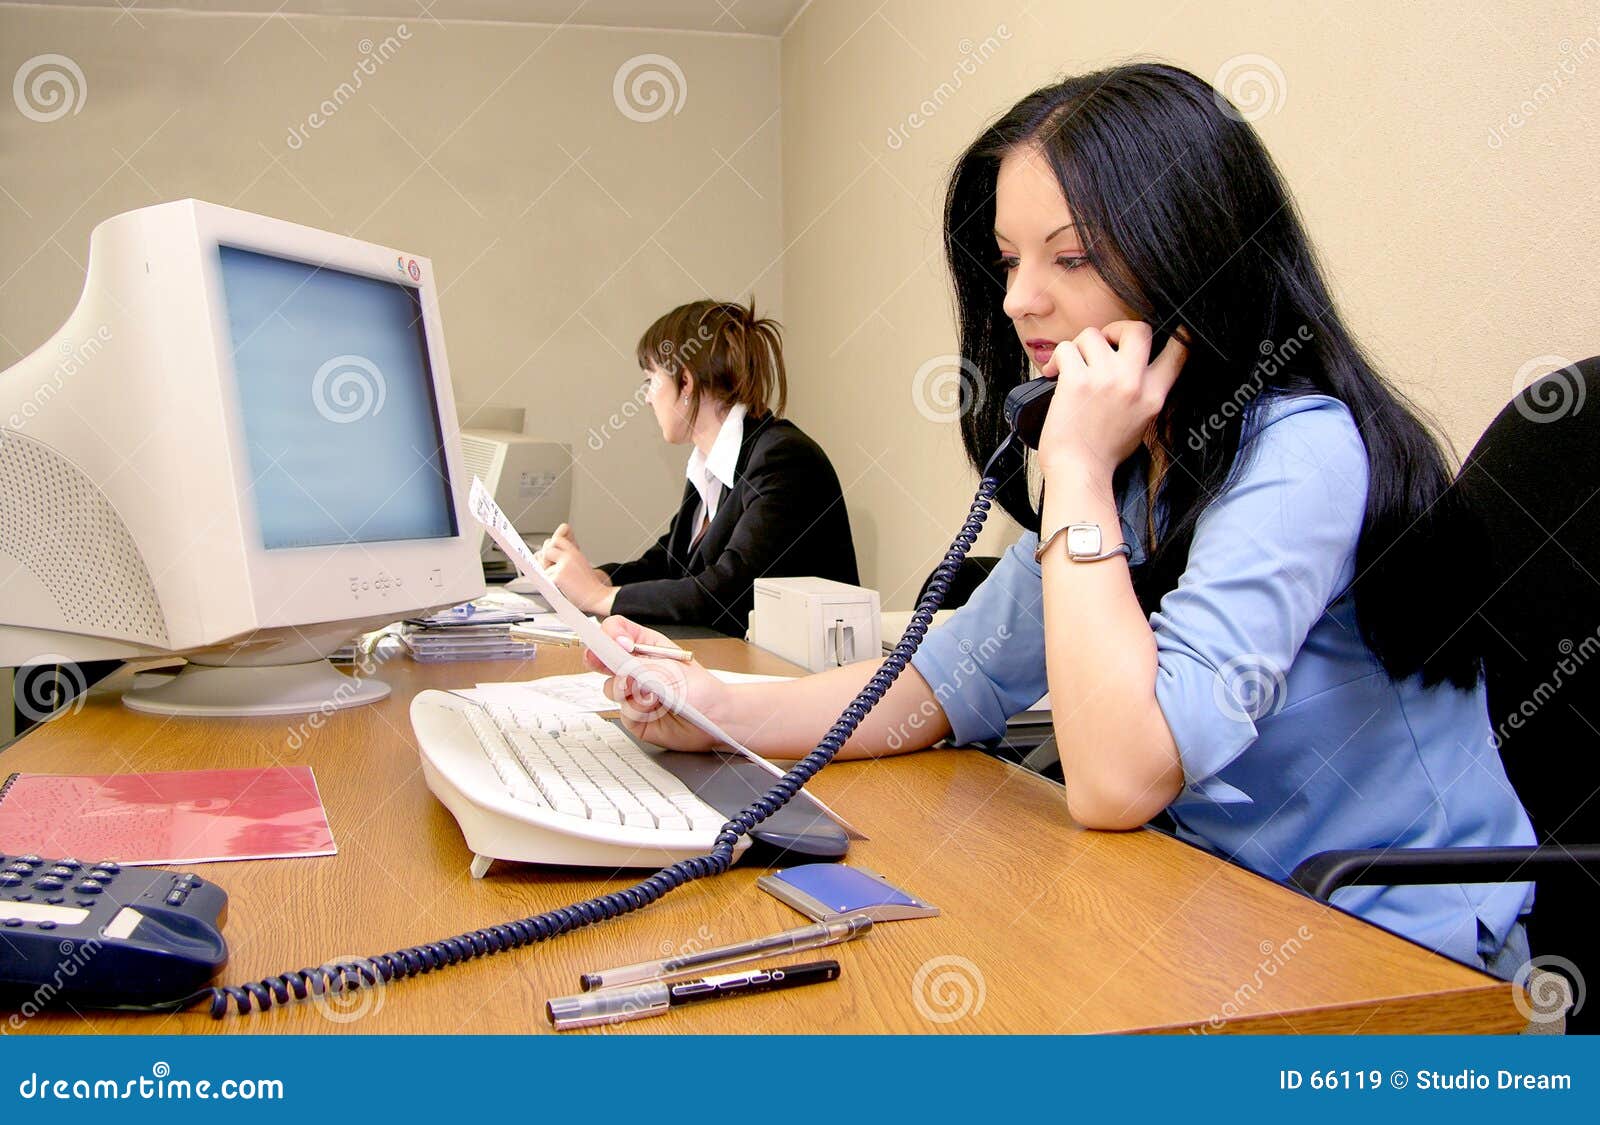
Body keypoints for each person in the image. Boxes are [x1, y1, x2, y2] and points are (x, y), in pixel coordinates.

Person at [582, 65, 1536, 978]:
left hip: (1394, 951)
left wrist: (1073, 465)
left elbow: (1118, 780)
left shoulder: (1301, 449)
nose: (1016, 299)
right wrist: (708, 708)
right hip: (1216, 906)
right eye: (1008, 259)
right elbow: (944, 683)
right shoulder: (1137, 466)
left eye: (1069, 256)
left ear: (1191, 253)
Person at [537, 299, 858, 637]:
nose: (647, 397)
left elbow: (725, 593)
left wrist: (598, 596)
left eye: (651, 380)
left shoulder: (784, 460)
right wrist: (598, 578)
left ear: (686, 382)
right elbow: (669, 565)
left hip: (796, 676)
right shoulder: (711, 465)